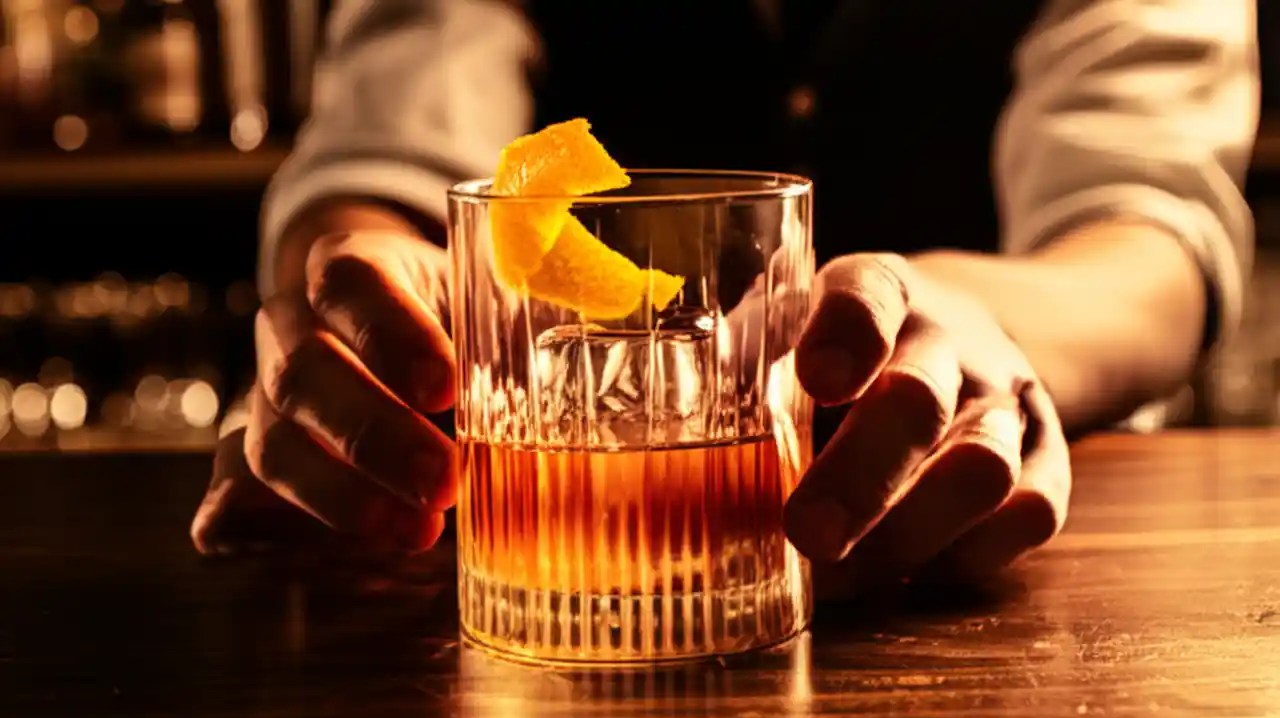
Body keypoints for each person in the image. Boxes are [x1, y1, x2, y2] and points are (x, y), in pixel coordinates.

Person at [191, 0, 1259, 590]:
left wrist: (958, 313)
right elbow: (386, 152)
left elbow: (1148, 234)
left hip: (981, 571)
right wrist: (361, 287)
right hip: (550, 575)